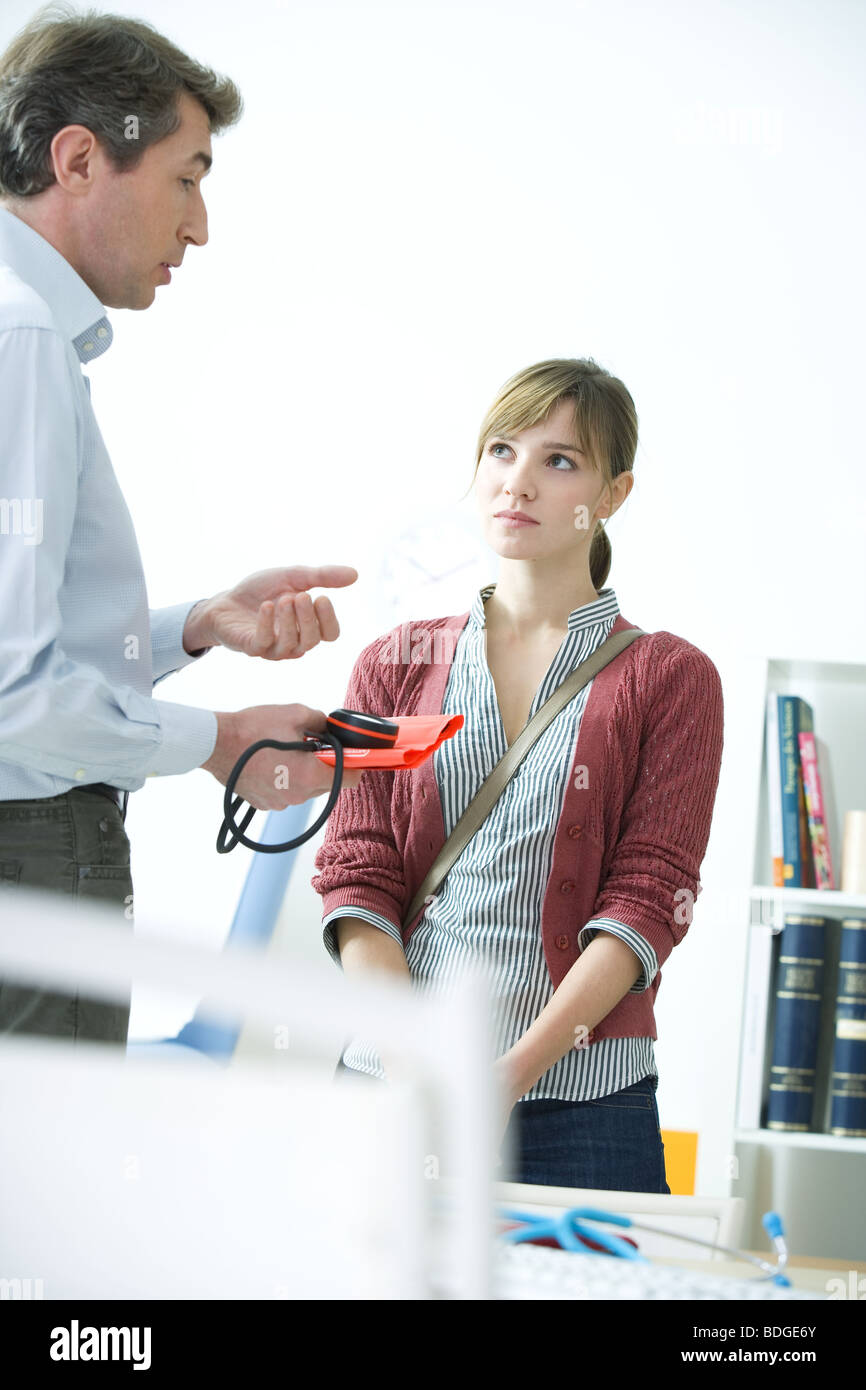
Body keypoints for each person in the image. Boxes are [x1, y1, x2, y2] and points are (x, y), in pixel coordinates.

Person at [0, 7, 362, 1044]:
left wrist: (195, 625)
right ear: (78, 160)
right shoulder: (22, 340)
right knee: (42, 1193)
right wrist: (224, 741)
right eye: (188, 177)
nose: (199, 226)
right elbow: (14, 695)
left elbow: (27, 642)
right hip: (31, 856)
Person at [312, 356, 724, 1192]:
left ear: (612, 496)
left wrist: (509, 1076)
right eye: (502, 451)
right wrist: (415, 1060)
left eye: (559, 461)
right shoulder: (393, 662)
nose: (518, 483)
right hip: (396, 1088)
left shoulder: (672, 678)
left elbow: (648, 899)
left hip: (583, 1104)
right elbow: (357, 874)